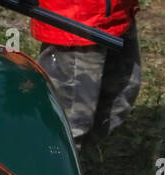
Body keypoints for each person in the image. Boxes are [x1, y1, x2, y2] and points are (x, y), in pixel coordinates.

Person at [34, 0, 142, 151]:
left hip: (116, 12)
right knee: (68, 121)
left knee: (119, 99)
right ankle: (47, 166)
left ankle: (76, 163)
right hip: (77, 19)